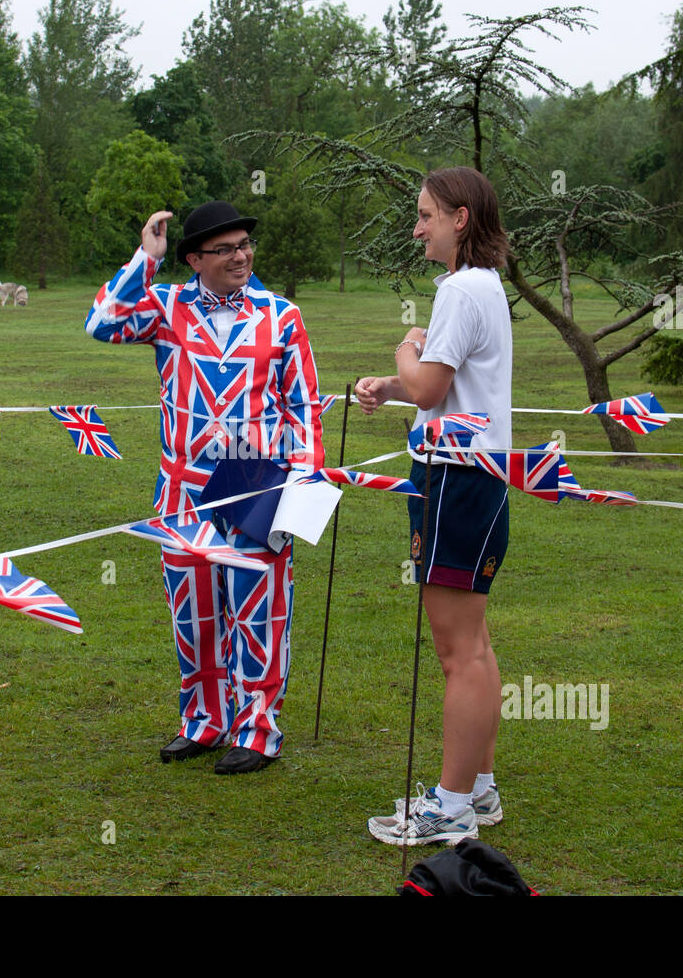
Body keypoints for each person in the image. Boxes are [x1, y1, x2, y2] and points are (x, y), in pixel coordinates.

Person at [85, 200, 324, 774]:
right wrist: (147, 257)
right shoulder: (166, 308)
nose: (241, 256)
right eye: (226, 249)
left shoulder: (281, 315)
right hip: (181, 500)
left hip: (257, 494)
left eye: (246, 245)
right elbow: (102, 322)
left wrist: (303, 488)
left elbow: (304, 405)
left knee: (259, 615)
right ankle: (205, 722)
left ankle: (258, 730)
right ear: (194, 259)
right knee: (195, 620)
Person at [354, 167, 512, 844]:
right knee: (472, 643)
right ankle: (476, 788)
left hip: (456, 478)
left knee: (458, 652)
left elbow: (429, 385)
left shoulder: (461, 290)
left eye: (425, 214)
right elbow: (438, 386)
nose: (415, 227)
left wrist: (405, 348)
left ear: (460, 219)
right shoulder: (478, 287)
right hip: (465, 475)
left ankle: (449, 806)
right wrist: (392, 383)